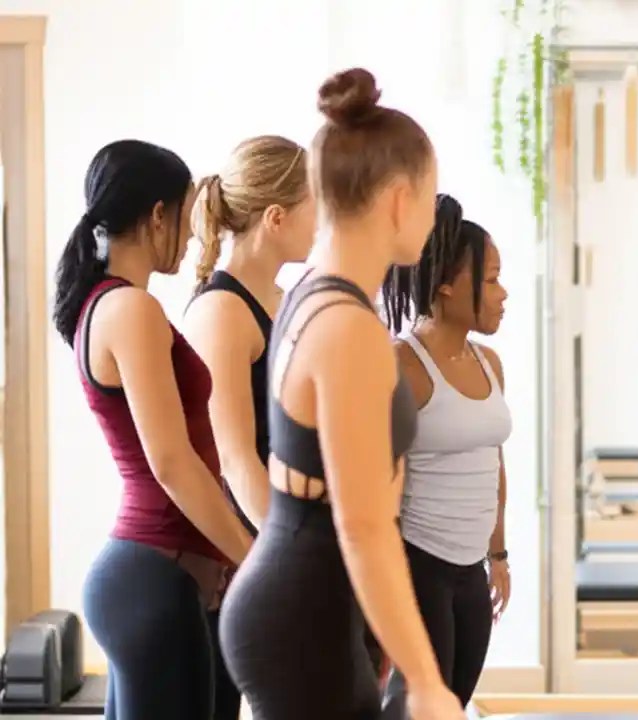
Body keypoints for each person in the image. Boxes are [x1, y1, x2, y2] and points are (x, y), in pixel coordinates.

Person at [216, 68, 465, 720]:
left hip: (302, 597)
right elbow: (362, 526)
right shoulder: (347, 328)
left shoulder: (315, 292)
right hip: (300, 610)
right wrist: (425, 680)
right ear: (397, 201)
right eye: (431, 194)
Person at [51, 139, 254, 720]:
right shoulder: (128, 309)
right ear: (158, 214)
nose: (192, 237)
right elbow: (172, 462)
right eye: (186, 219)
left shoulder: (111, 305)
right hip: (151, 580)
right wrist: (250, 554)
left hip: (155, 581)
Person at [379, 194, 512, 709]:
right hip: (420, 565)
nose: (503, 293)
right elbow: (378, 483)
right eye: (491, 278)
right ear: (447, 284)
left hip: (471, 568)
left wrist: (498, 553)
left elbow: (495, 465)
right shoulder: (401, 364)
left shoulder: (491, 362)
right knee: (416, 704)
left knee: (454, 702)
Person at [185, 134, 315, 534]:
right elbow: (235, 460)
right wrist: (284, 555)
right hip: (257, 542)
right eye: (317, 207)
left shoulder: (287, 299)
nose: (323, 223)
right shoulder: (222, 311)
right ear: (276, 218)